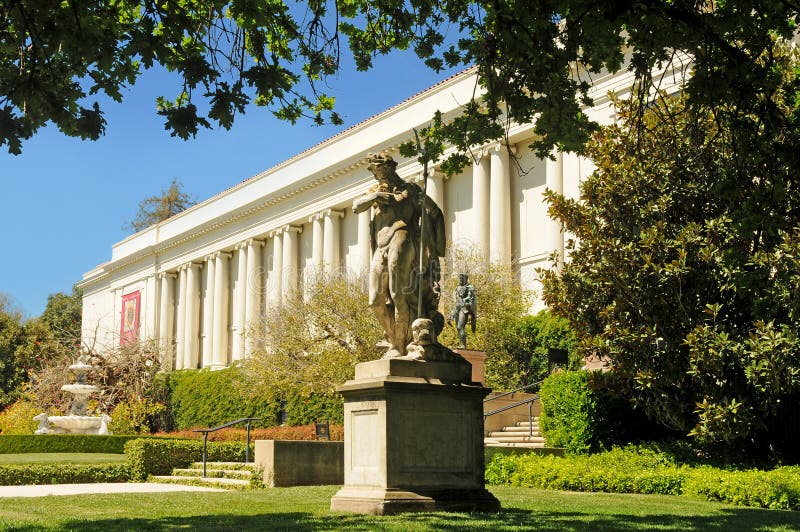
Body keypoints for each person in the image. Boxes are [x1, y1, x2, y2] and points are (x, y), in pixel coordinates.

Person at [353, 153, 445, 358]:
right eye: (375, 172)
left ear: (391, 168)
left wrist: (435, 244)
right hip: (381, 244)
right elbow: (356, 207)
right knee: (375, 299)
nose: (378, 176)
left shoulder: (410, 190)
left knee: (397, 295)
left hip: (401, 236)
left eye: (381, 170)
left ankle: (399, 346)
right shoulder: (375, 191)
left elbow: (435, 211)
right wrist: (375, 197)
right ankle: (394, 338)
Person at [449, 273, 477, 349]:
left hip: (464, 308)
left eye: (462, 278)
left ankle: (463, 346)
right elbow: (455, 301)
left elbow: (471, 297)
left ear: (466, 279)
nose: (461, 280)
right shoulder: (457, 288)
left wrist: (465, 300)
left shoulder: (469, 287)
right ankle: (462, 344)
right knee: (458, 328)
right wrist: (452, 312)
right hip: (457, 308)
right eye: (460, 278)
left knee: (460, 326)